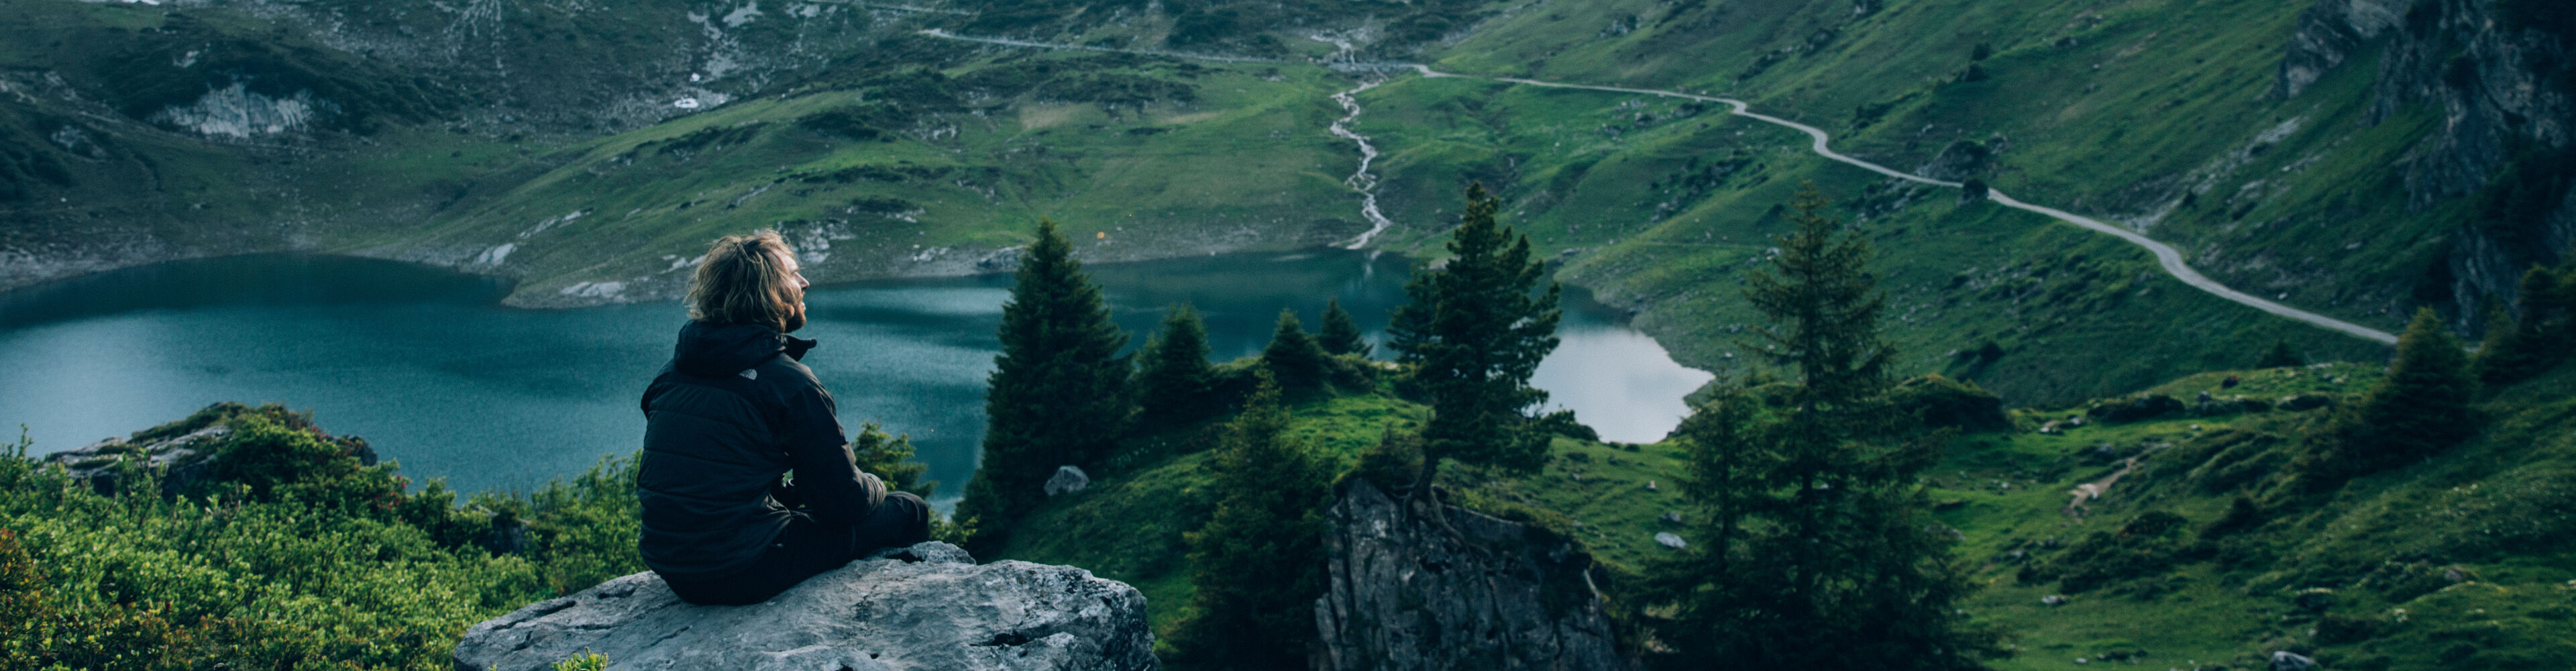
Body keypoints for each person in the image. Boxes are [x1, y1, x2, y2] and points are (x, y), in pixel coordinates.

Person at [637, 229, 930, 605]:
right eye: (794, 275)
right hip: (743, 566)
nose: (805, 283)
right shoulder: (787, 383)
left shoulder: (672, 372)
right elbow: (846, 505)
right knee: (909, 510)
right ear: (769, 293)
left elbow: (710, 468)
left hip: (673, 567)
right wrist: (874, 484)